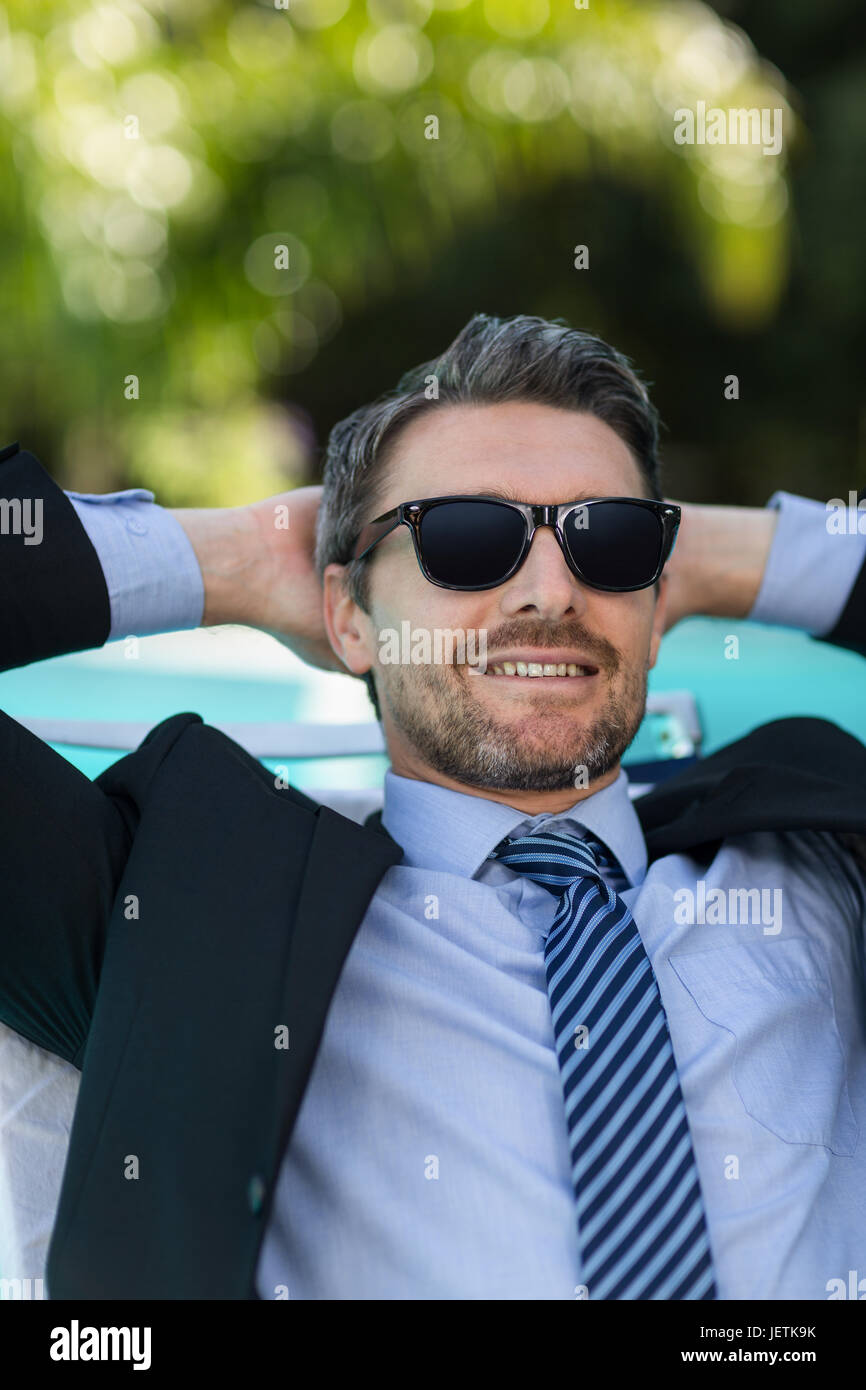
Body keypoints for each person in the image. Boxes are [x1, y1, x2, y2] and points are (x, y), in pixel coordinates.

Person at [1, 313, 865, 1301]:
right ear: (346, 617)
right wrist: (232, 555)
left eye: (609, 540)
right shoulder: (182, 899)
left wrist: (717, 552)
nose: (550, 590)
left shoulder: (816, 851)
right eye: (465, 535)